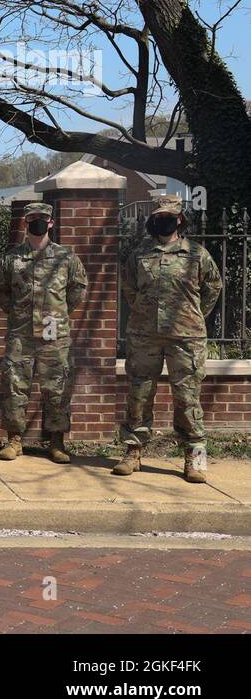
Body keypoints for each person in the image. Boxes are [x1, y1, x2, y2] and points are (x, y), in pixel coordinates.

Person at [115, 195, 222, 483]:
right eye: (160, 215)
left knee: (187, 397)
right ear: (154, 219)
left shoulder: (196, 254)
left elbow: (213, 286)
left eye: (169, 216)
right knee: (139, 394)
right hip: (144, 335)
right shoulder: (139, 255)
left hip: (186, 337)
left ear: (180, 220)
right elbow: (129, 288)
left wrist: (194, 313)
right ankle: (132, 451)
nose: (164, 220)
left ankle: (195, 457)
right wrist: (143, 311)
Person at [0, 203, 87, 464]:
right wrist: (19, 314)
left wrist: (56, 313)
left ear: (51, 223)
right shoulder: (11, 259)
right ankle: (15, 440)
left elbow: (77, 292)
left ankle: (56, 442)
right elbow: (3, 292)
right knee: (15, 386)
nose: (37, 222)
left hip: (54, 334)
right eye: (32, 218)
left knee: (57, 389)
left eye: (42, 218)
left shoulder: (66, 259)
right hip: (21, 334)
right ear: (25, 223)